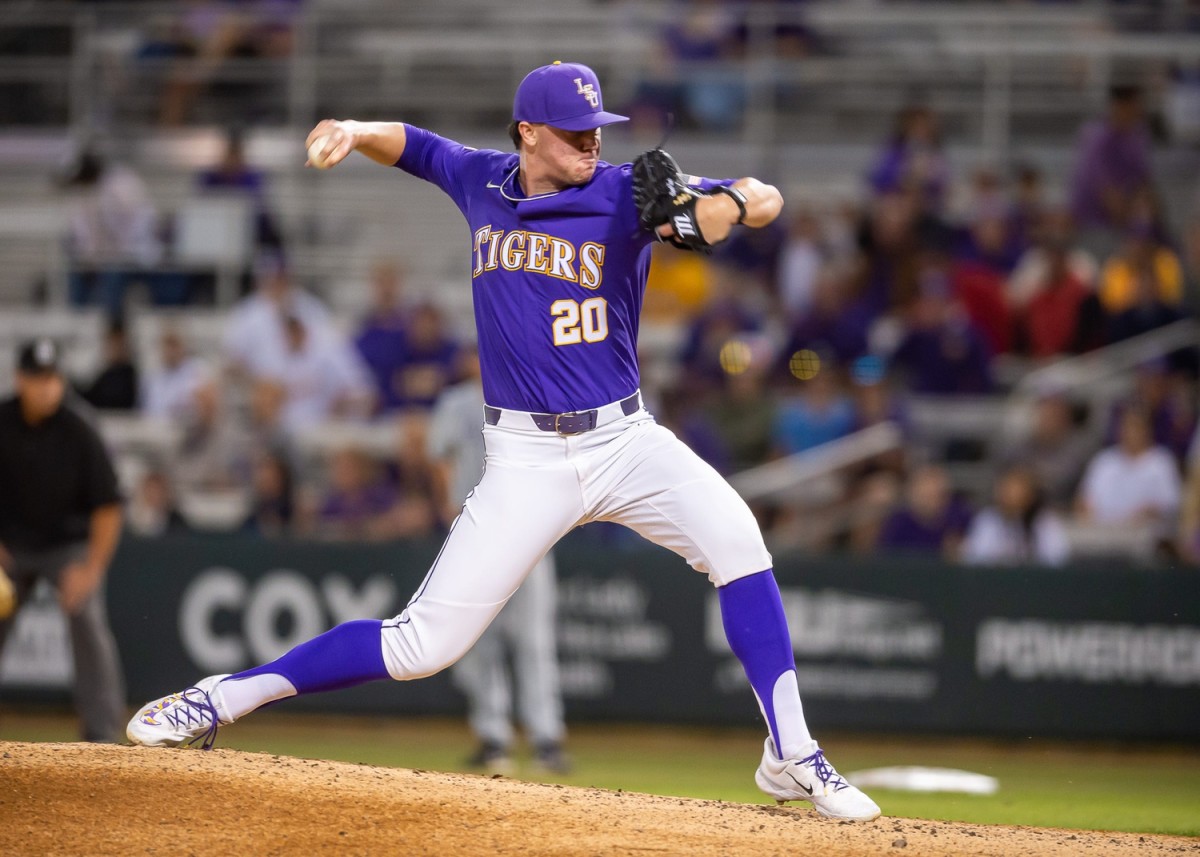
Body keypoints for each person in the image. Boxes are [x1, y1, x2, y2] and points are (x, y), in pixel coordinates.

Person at [127, 61, 880, 821]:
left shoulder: (621, 190)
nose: (593, 141)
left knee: (739, 540)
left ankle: (791, 752)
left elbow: (755, 201)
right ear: (528, 133)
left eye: (598, 128)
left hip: (625, 438)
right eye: (576, 130)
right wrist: (354, 132)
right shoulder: (482, 181)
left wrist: (730, 204)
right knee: (422, 647)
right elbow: (416, 145)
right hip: (526, 459)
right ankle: (221, 697)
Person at [430, 347, 569, 774]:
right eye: (473, 350)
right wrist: (447, 508)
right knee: (478, 641)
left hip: (527, 531)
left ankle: (547, 739)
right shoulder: (456, 402)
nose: (479, 356)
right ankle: (493, 737)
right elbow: (438, 457)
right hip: (476, 532)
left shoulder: (528, 393)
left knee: (533, 639)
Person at [0, 338, 126, 742]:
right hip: (8, 548)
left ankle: (102, 734)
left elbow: (108, 506)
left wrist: (90, 569)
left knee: (87, 616)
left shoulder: (80, 426)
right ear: (20, 380)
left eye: (52, 378)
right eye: (37, 378)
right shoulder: (1, 421)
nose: (46, 387)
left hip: (66, 548)